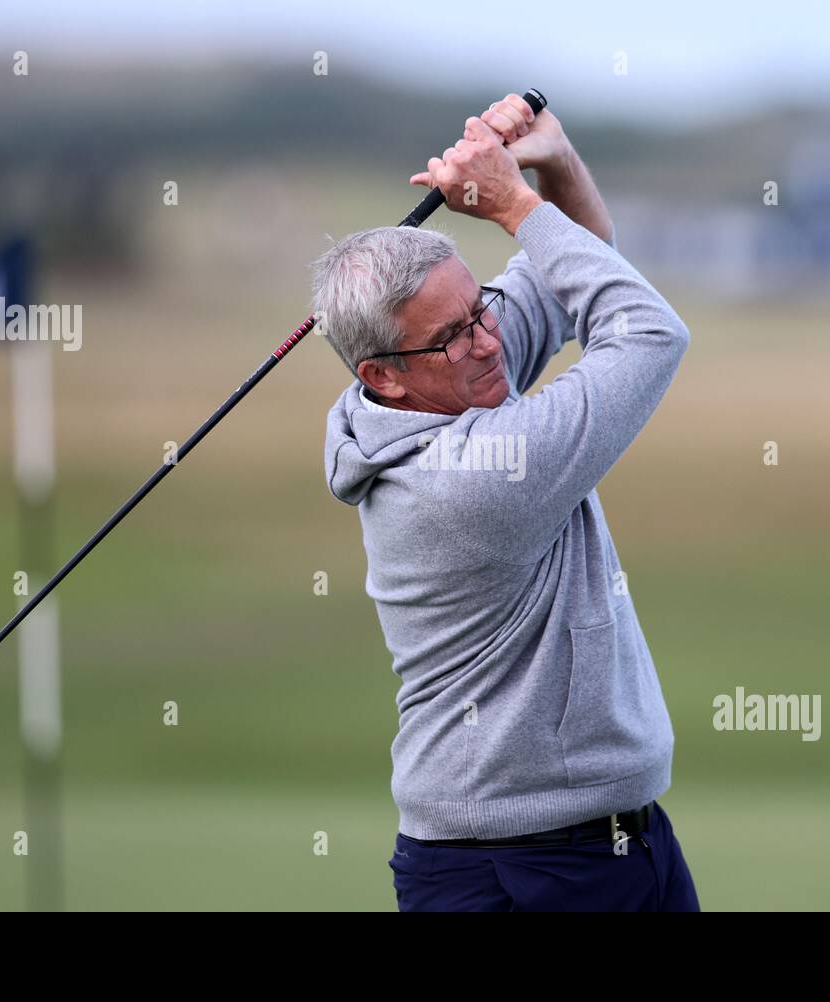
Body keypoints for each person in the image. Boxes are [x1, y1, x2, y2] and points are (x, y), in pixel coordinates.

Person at [314, 94, 697, 911]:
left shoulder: (451, 382)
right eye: (452, 335)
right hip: (519, 868)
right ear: (382, 375)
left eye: (481, 306)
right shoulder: (479, 475)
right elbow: (651, 334)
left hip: (615, 838)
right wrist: (513, 205)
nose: (487, 341)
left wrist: (550, 164)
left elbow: (581, 258)